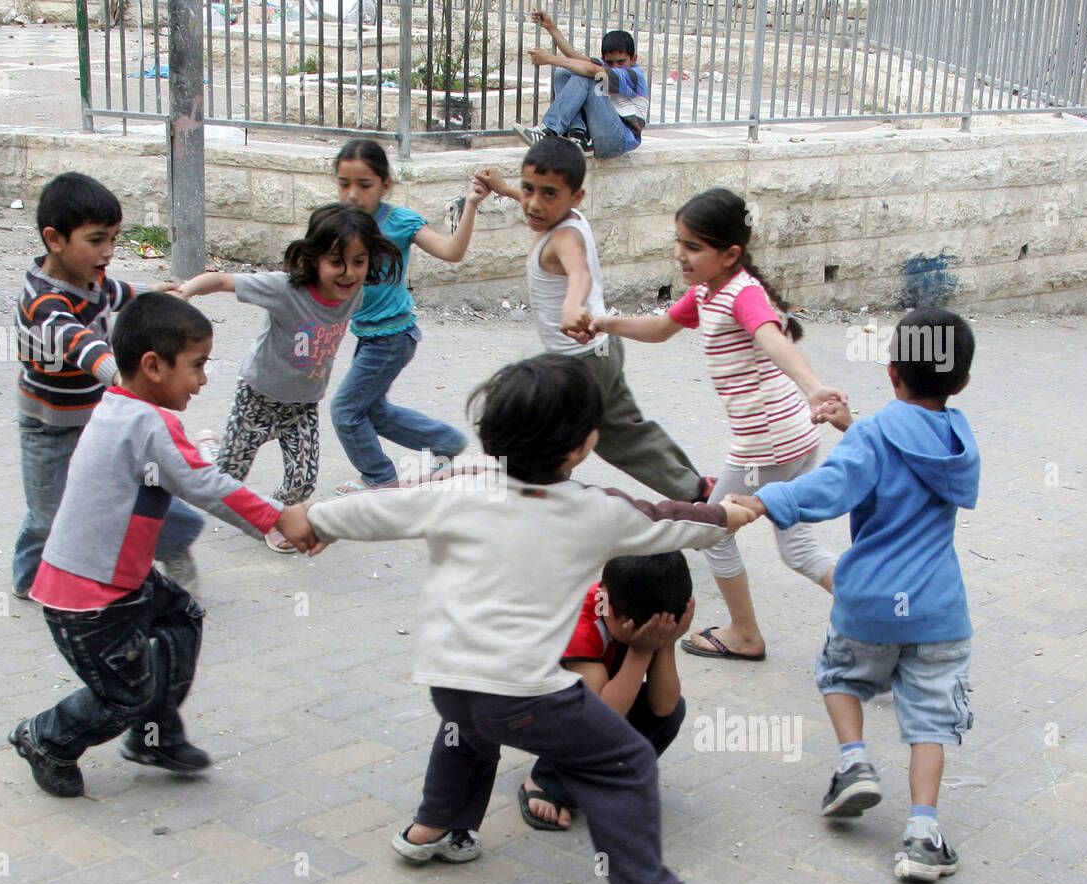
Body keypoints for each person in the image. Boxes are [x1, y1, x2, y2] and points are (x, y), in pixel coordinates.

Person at [282, 353, 758, 884]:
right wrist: (727, 515)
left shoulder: (459, 487)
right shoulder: (596, 509)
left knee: (469, 739)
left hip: (450, 684)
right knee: (623, 760)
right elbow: (668, 520)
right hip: (529, 692)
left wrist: (314, 519)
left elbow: (381, 504)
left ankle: (431, 830)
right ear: (584, 445)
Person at [7, 293, 315, 798]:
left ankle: (156, 737)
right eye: (196, 366)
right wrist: (278, 518)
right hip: (87, 597)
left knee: (181, 617)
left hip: (117, 578)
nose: (203, 379)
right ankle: (47, 736)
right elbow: (204, 485)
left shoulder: (119, 405)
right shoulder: (150, 424)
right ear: (152, 366)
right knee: (122, 696)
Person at [729, 308, 979, 882]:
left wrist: (767, 500)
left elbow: (835, 484)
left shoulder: (873, 435)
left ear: (891, 372)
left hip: (868, 603)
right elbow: (905, 459)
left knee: (839, 678)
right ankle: (922, 834)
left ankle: (855, 763)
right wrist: (853, 429)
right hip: (939, 613)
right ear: (961, 382)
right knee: (931, 723)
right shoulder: (959, 443)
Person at [580, 187, 846, 661]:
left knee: (712, 532)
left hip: (766, 444)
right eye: (679, 242)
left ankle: (745, 634)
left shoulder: (742, 294)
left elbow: (771, 337)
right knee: (798, 548)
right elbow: (661, 328)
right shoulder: (709, 292)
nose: (681, 255)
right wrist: (604, 323)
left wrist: (814, 385)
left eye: (694, 247)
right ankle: (879, 612)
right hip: (793, 438)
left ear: (730, 254)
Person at [475, 138, 709, 504]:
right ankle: (696, 492)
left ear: (576, 197)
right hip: (599, 350)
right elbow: (536, 201)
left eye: (549, 194)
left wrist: (571, 306)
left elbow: (579, 273)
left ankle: (536, 505)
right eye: (528, 189)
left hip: (582, 362)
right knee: (622, 430)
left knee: (570, 438)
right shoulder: (562, 215)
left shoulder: (564, 237)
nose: (534, 203)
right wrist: (503, 187)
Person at [12, 171, 204, 597]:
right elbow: (78, 343)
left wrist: (148, 293)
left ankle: (174, 540)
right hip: (49, 430)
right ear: (54, 239)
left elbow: (111, 292)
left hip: (98, 418)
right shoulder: (43, 302)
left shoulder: (90, 277)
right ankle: (30, 578)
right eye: (97, 240)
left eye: (114, 239)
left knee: (140, 488)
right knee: (50, 515)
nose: (108, 252)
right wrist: (120, 376)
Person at [175, 203, 402, 551]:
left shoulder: (354, 296)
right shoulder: (284, 289)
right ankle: (207, 451)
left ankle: (276, 518)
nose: (348, 272)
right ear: (314, 259)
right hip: (258, 397)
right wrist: (185, 292)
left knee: (303, 483)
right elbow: (222, 280)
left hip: (303, 406)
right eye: (336, 262)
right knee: (223, 482)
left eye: (359, 261)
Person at [330, 140, 489, 494]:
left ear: (386, 186)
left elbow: (452, 251)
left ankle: (378, 477)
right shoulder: (337, 223)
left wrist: (472, 206)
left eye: (365, 185)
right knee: (373, 411)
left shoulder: (398, 221)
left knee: (345, 411)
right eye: (344, 184)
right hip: (369, 334)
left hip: (392, 337)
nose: (353, 194)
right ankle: (447, 442)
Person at [521, 552, 695, 832]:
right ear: (606, 603)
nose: (649, 635)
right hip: (516, 704)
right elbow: (598, 720)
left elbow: (664, 706)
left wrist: (665, 642)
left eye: (662, 628)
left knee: (671, 711)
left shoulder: (640, 611)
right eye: (636, 631)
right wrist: (641, 651)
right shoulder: (580, 624)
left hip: (590, 693)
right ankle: (545, 780)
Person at [513, 9, 648, 160]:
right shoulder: (606, 67)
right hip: (602, 133)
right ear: (604, 59)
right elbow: (573, 56)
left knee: (587, 76)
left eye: (621, 62)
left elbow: (590, 70)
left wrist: (549, 59)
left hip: (618, 140)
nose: (615, 67)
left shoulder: (634, 75)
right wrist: (551, 27)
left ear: (633, 59)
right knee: (562, 73)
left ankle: (549, 130)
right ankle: (577, 135)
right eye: (610, 62)